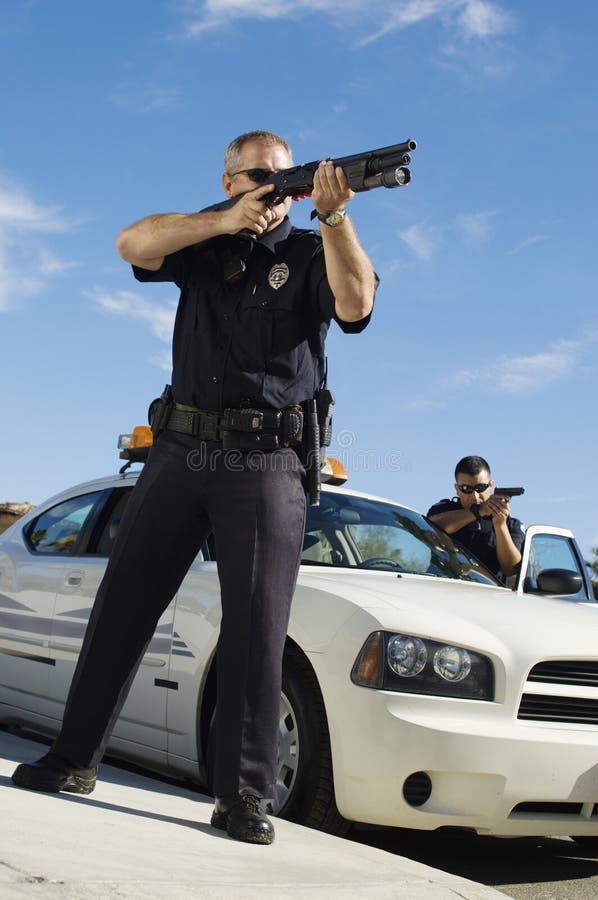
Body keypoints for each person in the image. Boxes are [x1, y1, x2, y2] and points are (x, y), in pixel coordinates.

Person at [11, 130, 376, 845]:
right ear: (232, 179)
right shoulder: (204, 245)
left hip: (267, 460)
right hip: (181, 447)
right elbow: (130, 243)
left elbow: (357, 303)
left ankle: (243, 797)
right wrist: (220, 221)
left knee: (255, 633)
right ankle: (74, 758)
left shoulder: (307, 252)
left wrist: (335, 218)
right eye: (263, 179)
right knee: (123, 604)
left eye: (288, 182)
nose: (278, 193)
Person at [427, 455, 524, 579]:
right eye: (467, 489)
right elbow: (430, 527)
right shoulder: (443, 510)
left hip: (488, 594)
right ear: (457, 489)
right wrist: (478, 511)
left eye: (480, 488)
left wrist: (500, 525)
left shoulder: (511, 524)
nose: (475, 496)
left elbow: (511, 569)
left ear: (491, 485)